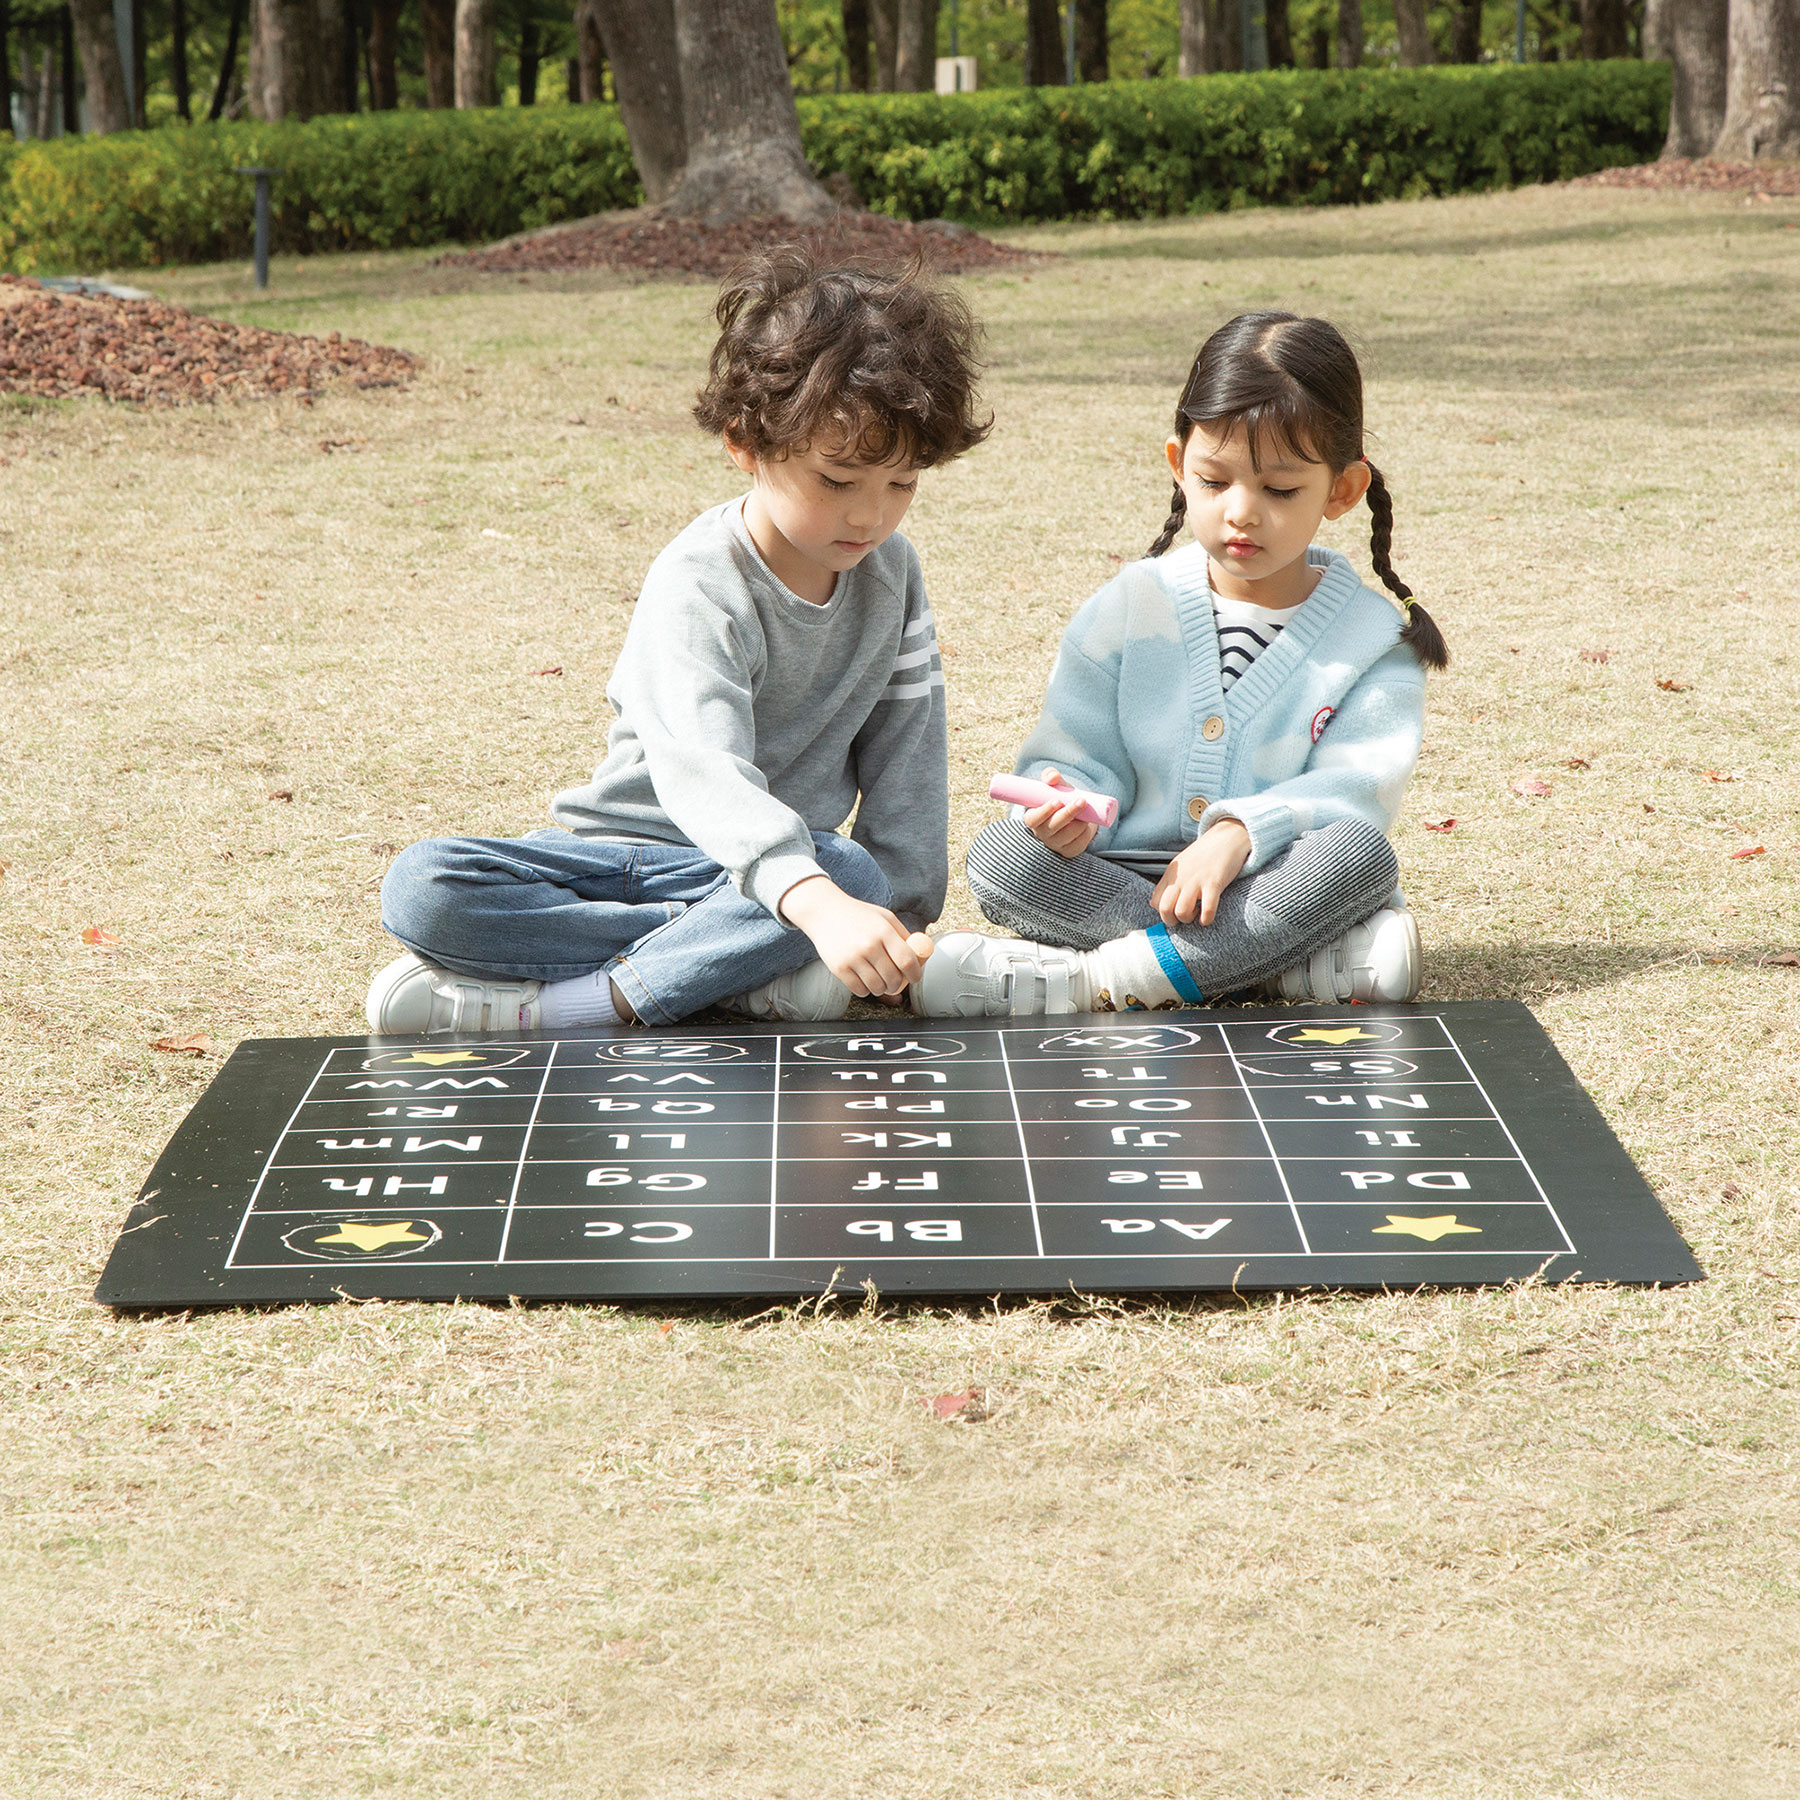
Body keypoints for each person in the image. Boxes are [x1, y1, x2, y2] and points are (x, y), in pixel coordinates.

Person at [368, 247, 989, 1034]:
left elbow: (909, 758)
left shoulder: (892, 574)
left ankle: (640, 980)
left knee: (854, 871)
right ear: (745, 442)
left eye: (901, 484)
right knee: (424, 887)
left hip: (785, 878)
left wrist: (890, 928)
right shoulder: (699, 580)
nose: (870, 515)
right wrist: (817, 910)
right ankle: (692, 975)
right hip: (627, 865)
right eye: (838, 481)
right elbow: (705, 772)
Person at [912, 310, 1448, 1019]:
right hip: (1120, 879)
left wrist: (1237, 833)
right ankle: (1265, 967)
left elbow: (1355, 793)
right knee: (1004, 856)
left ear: (1343, 491)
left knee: (1357, 855)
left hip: (1270, 879)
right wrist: (1065, 807)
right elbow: (1076, 755)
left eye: (1280, 490)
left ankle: (1092, 980)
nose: (1241, 513)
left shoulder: (1374, 638)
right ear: (1177, 465)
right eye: (1215, 481)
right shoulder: (1127, 606)